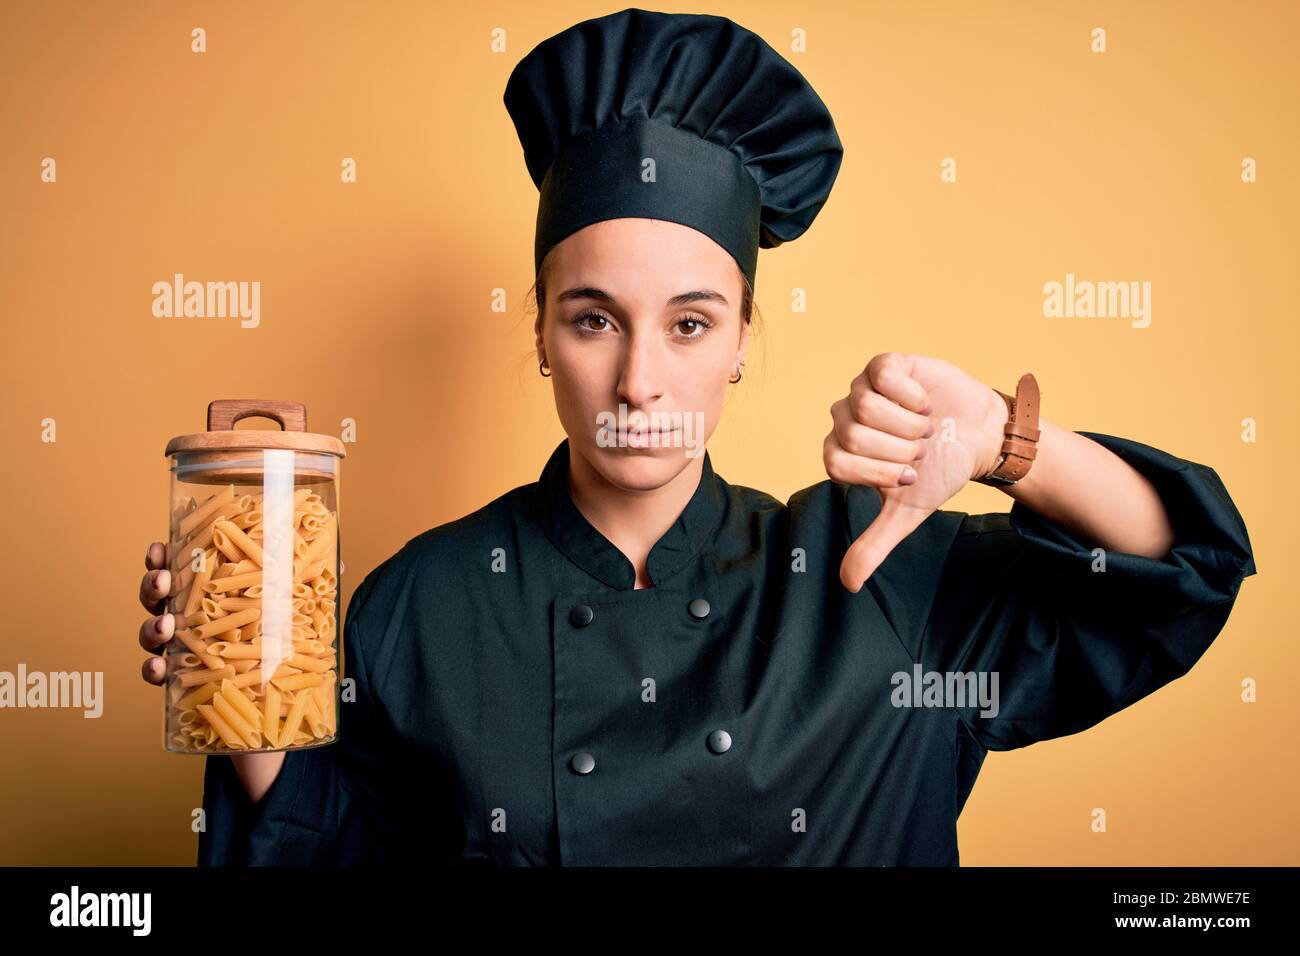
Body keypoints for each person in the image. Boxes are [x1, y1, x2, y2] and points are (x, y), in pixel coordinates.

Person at [137, 8, 1256, 866]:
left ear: (740, 342)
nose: (637, 377)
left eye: (688, 322)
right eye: (591, 319)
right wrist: (242, 684)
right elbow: (329, 846)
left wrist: (1012, 445)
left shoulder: (876, 570)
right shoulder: (421, 600)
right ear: (537, 332)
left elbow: (1177, 575)